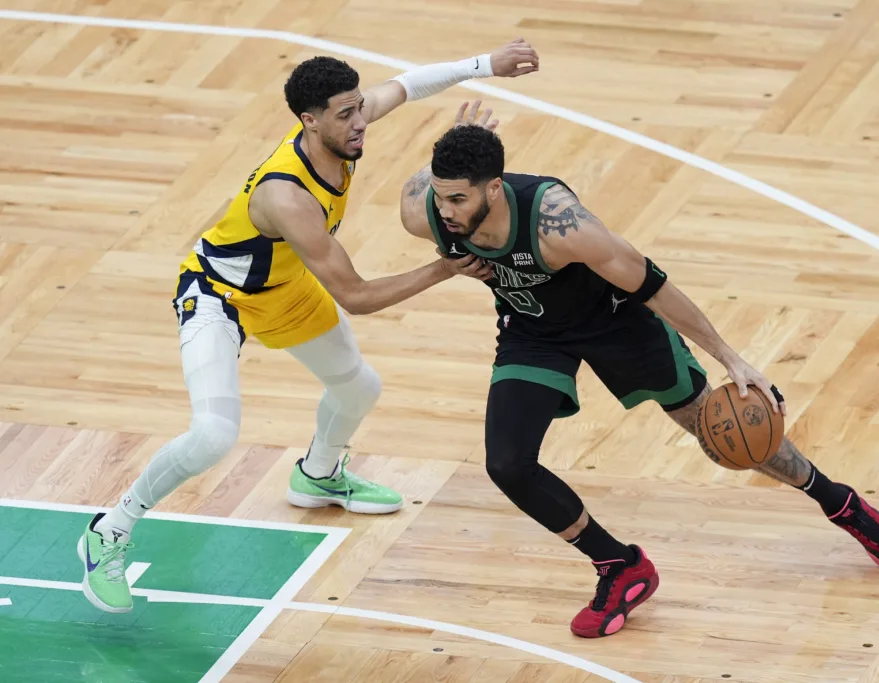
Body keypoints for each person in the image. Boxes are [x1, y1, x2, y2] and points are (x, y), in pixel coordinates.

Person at [398, 104, 879, 638]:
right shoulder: (427, 211)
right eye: (440, 194)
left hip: (617, 323)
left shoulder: (560, 222)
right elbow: (417, 197)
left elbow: (652, 284)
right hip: (534, 332)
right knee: (506, 464)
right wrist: (453, 153)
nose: (447, 210)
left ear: (494, 188)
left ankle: (839, 503)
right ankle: (620, 566)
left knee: (721, 433)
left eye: (458, 198)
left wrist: (731, 358)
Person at [77, 43, 540, 614]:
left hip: (285, 286)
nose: (360, 123)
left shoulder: (346, 122)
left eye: (358, 108)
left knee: (359, 388)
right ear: (309, 120)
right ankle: (110, 529)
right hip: (219, 296)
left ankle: (318, 476)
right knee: (214, 433)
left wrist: (485, 65)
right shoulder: (286, 197)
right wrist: (442, 268)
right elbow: (357, 295)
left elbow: (408, 81)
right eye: (346, 115)